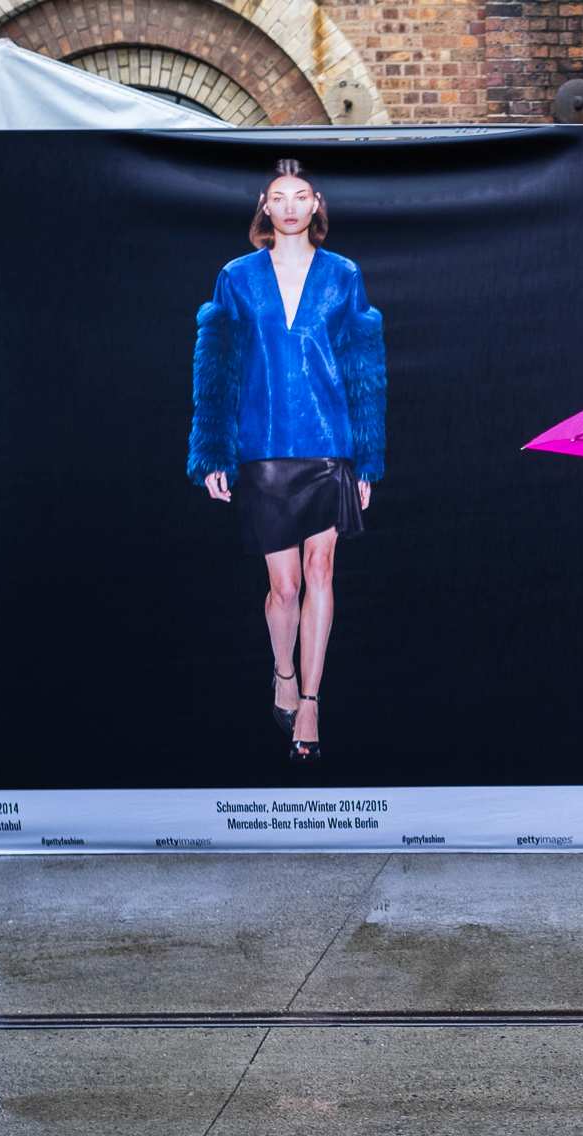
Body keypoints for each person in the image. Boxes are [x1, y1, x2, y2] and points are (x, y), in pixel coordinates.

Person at [187, 158, 387, 763]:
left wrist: (368, 458)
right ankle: (283, 671)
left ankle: (311, 701)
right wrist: (213, 450)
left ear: (316, 203)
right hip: (263, 442)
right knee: (284, 585)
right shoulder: (237, 277)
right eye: (280, 196)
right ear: (265, 206)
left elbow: (364, 368)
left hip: (330, 442)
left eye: (301, 196)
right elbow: (216, 367)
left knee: (322, 571)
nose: (292, 206)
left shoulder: (343, 274)